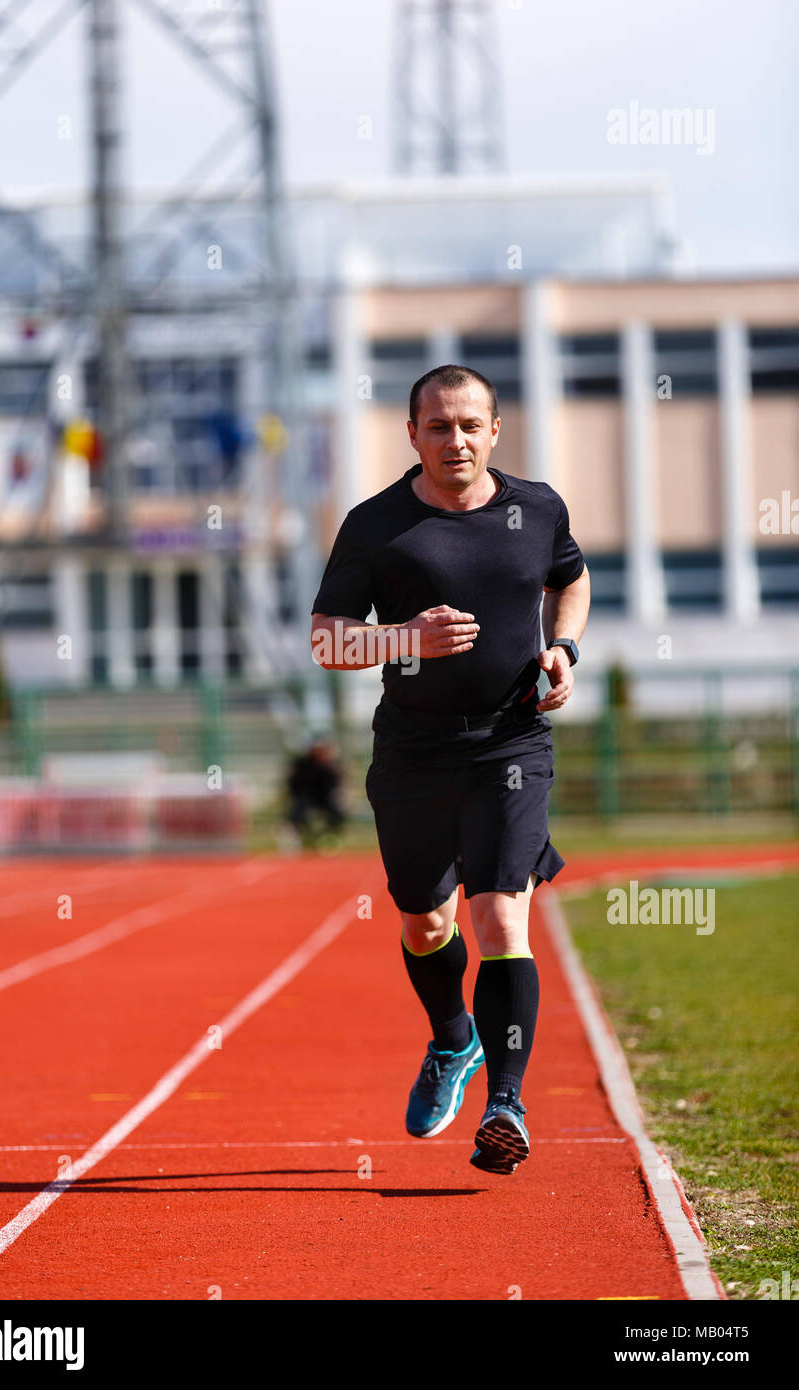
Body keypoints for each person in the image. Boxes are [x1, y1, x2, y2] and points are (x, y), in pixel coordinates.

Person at [310, 364, 590, 1174]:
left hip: (511, 743)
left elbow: (568, 580)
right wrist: (404, 638)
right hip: (413, 752)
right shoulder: (377, 526)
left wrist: (563, 649)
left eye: (470, 425)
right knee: (425, 924)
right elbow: (327, 641)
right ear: (413, 435)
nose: (456, 440)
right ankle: (451, 1039)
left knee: (502, 920)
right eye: (439, 426)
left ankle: (507, 1104)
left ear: (495, 430)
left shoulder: (537, 507)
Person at [285, 738, 346, 849]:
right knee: (297, 811)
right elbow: (293, 783)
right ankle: (298, 838)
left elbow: (334, 784)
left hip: (324, 797)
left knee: (338, 811)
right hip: (305, 797)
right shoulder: (302, 764)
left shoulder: (329, 765)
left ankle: (329, 837)